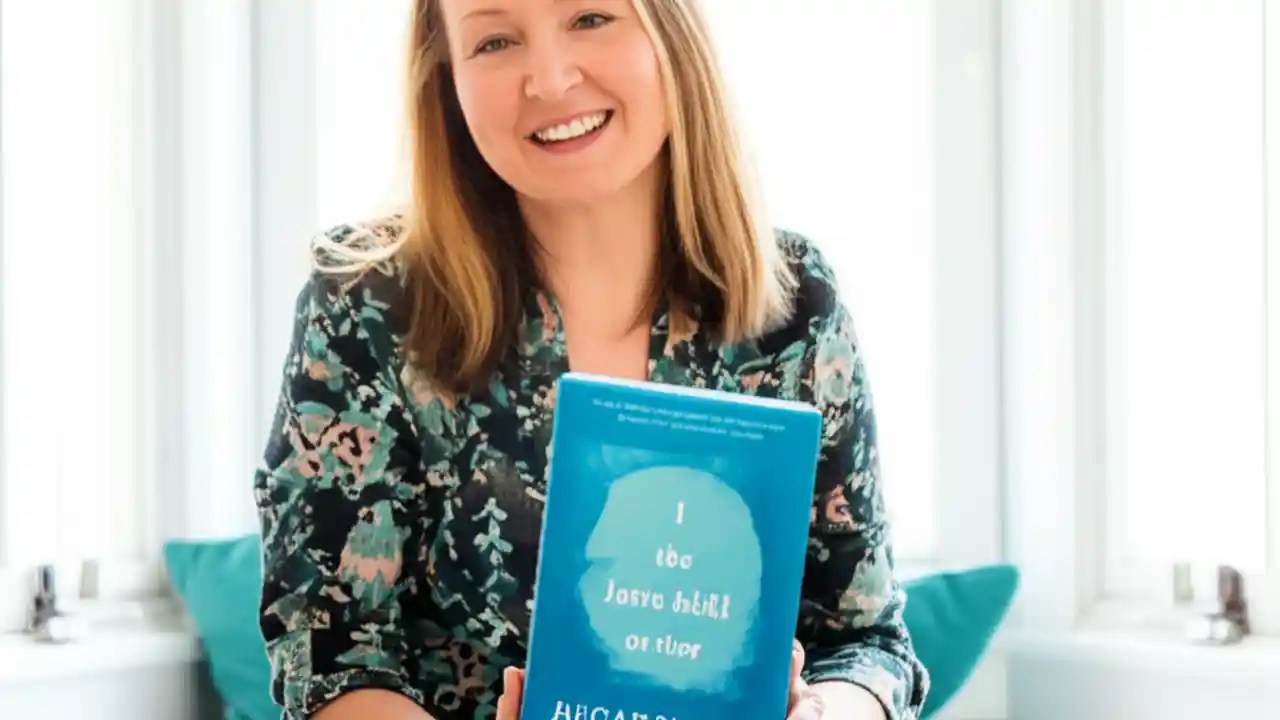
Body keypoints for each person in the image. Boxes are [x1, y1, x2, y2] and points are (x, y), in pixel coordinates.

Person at [253, 0, 929, 718]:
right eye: (495, 40)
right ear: (446, 74)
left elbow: (865, 639)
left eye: (590, 17)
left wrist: (827, 712)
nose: (547, 78)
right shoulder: (366, 306)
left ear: (672, 32)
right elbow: (331, 652)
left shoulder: (798, 303)